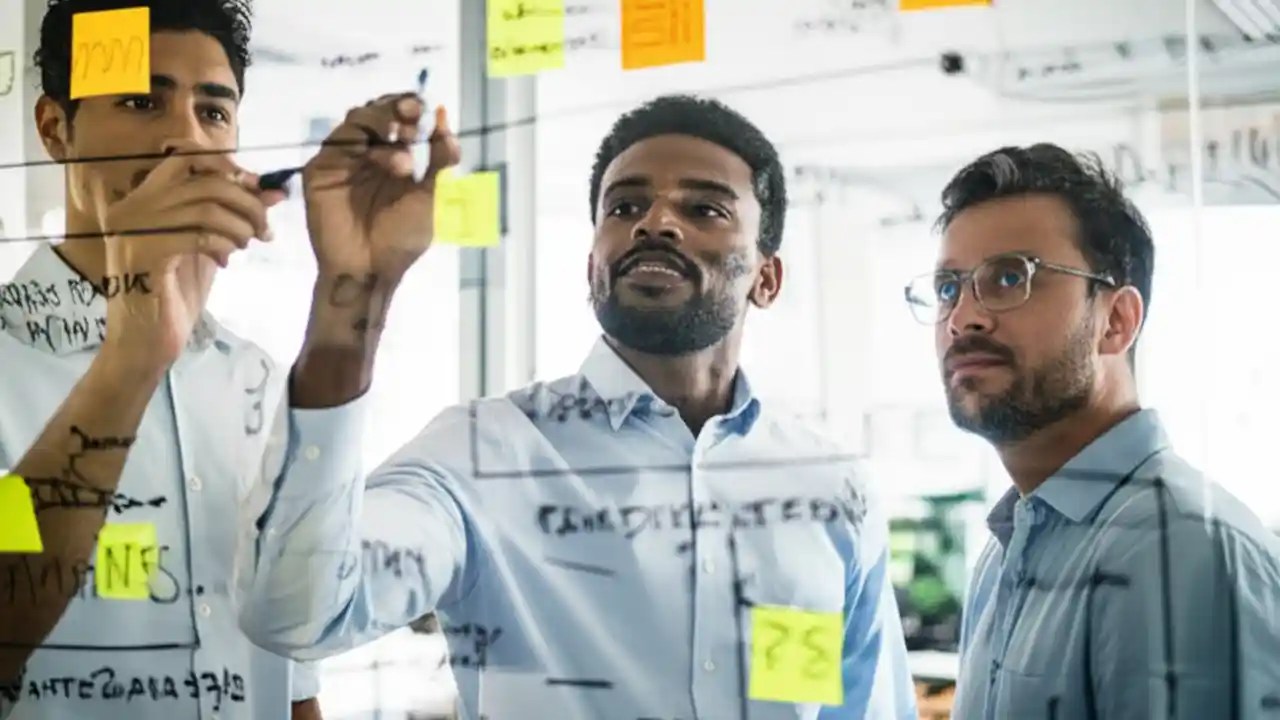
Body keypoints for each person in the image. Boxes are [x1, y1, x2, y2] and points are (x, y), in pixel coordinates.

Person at [234, 94, 918, 719]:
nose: (656, 223)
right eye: (625, 207)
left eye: (704, 208)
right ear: (593, 265)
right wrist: (353, 295)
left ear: (766, 279)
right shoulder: (481, 456)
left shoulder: (829, 486)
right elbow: (300, 616)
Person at [0, 1, 324, 717]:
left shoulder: (259, 381)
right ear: (55, 130)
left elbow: (291, 675)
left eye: (214, 112)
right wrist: (133, 354)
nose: (186, 140)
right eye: (143, 101)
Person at [904, 143, 1280, 718]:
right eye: (948, 288)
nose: (962, 318)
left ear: (1116, 321)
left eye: (1010, 277)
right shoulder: (1009, 548)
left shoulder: (1182, 549)